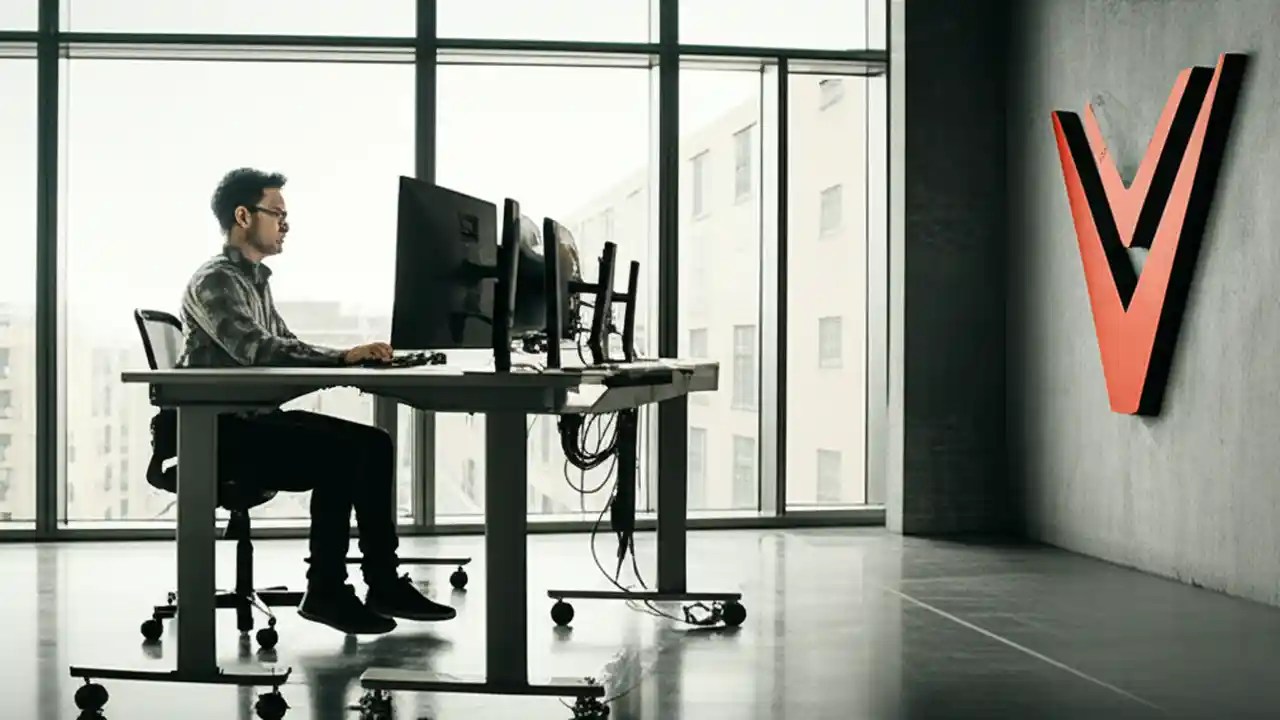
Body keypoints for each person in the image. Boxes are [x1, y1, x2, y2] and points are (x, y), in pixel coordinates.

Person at [162, 167, 454, 635]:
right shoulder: (215, 281)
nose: (285, 224)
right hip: (219, 434)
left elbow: (284, 341)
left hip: (252, 422)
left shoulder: (253, 280)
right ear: (243, 215)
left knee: (373, 444)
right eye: (277, 213)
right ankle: (326, 591)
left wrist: (356, 358)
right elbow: (257, 349)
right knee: (342, 454)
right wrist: (343, 358)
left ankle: (382, 582)